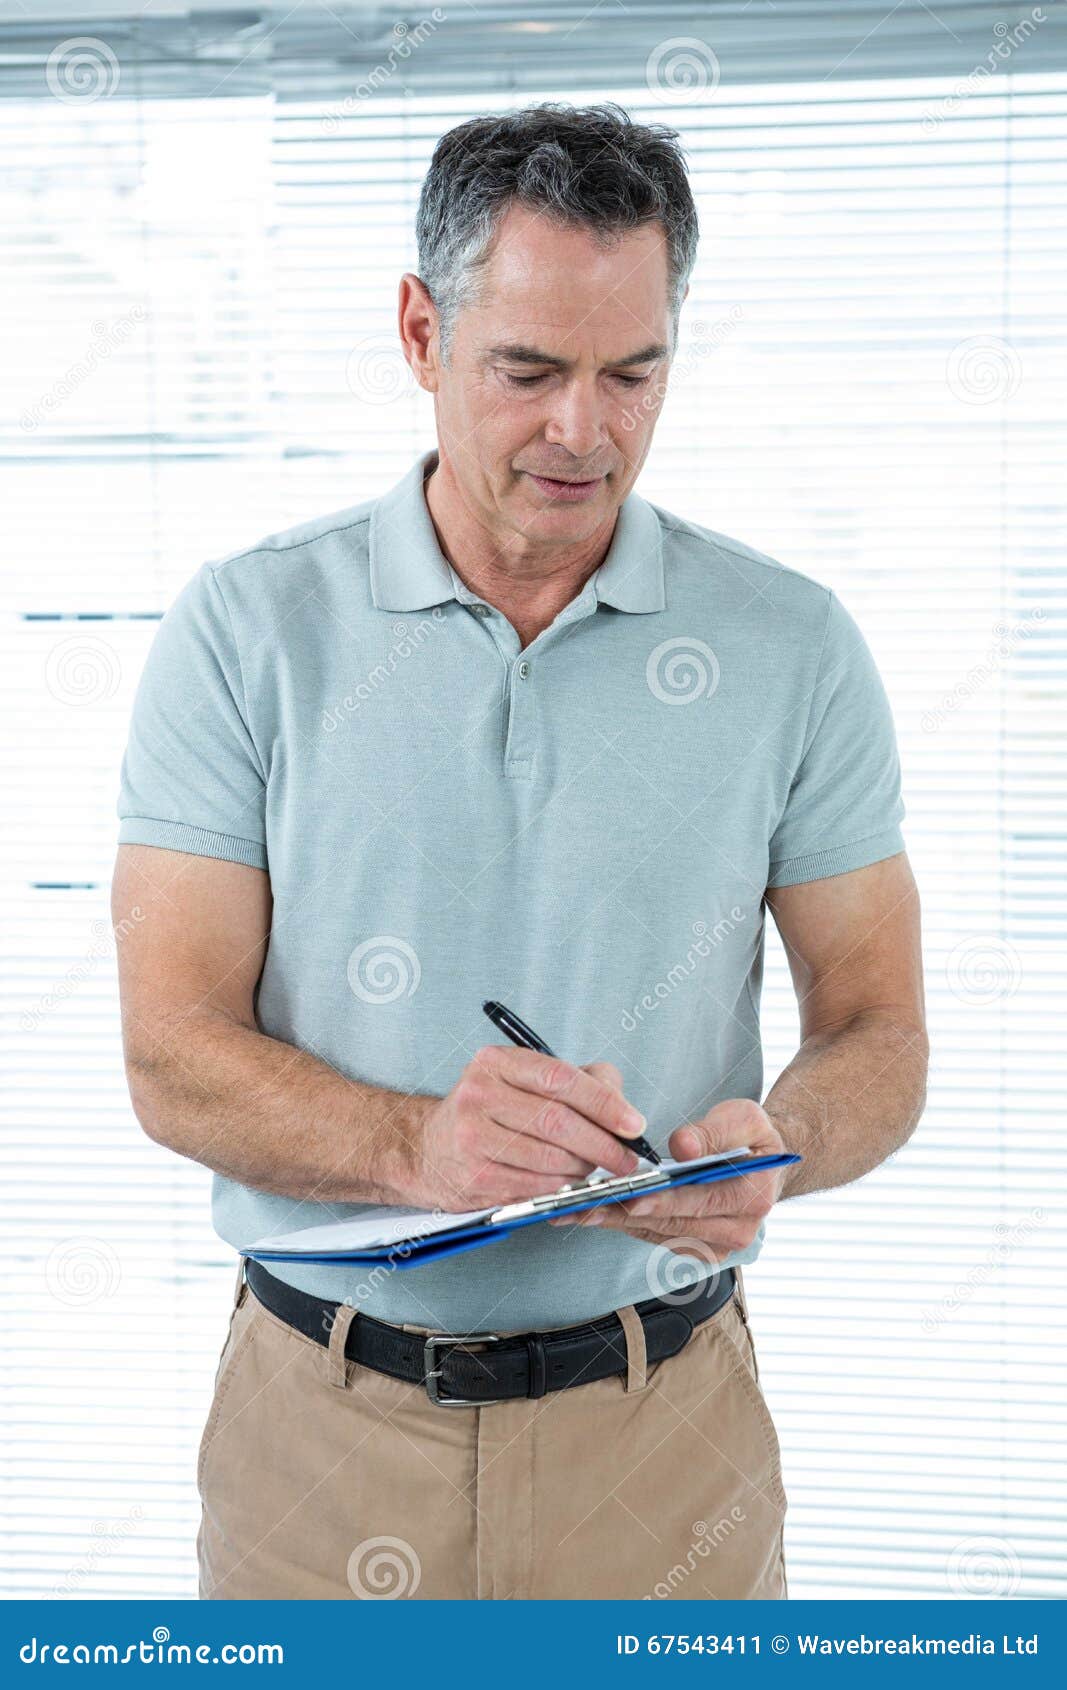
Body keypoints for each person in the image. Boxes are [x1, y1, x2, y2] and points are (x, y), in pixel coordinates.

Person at [112, 103, 927, 1601]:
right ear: (421, 334)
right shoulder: (244, 634)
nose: (583, 429)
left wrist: (784, 1143)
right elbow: (169, 1053)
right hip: (320, 1434)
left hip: (669, 1437)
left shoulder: (791, 645)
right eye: (529, 370)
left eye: (634, 372)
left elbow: (881, 1028)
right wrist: (414, 1147)